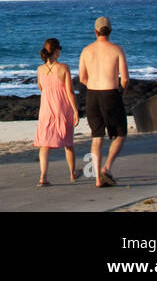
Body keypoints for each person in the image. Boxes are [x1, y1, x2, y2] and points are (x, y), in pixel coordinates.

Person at [78, 15, 130, 187]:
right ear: (110, 30)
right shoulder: (117, 49)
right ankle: (106, 168)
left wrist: (93, 85)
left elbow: (82, 78)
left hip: (93, 94)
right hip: (111, 93)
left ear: (95, 31)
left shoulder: (86, 50)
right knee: (121, 134)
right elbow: (125, 79)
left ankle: (98, 180)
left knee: (97, 137)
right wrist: (121, 93)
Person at [33, 37, 78, 186]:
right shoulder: (64, 68)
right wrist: (76, 110)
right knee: (68, 143)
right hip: (62, 109)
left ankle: (43, 177)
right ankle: (72, 174)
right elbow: (70, 91)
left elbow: (41, 88)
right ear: (56, 51)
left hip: (46, 109)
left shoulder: (40, 69)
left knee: (45, 145)